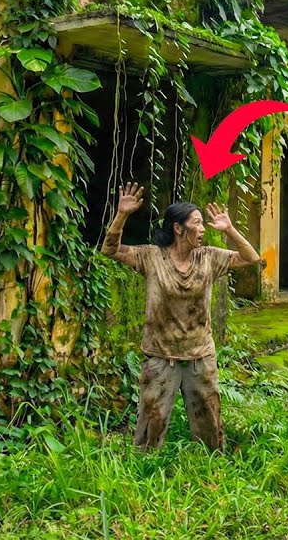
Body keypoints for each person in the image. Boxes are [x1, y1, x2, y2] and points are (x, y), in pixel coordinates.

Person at [100, 182, 260, 451]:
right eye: (196, 223)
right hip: (161, 357)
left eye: (202, 223)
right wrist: (122, 215)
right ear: (178, 228)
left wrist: (229, 229)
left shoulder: (209, 257)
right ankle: (145, 472)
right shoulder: (151, 257)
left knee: (210, 426)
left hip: (200, 357)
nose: (202, 228)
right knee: (150, 427)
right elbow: (110, 250)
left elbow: (251, 258)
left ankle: (213, 471)